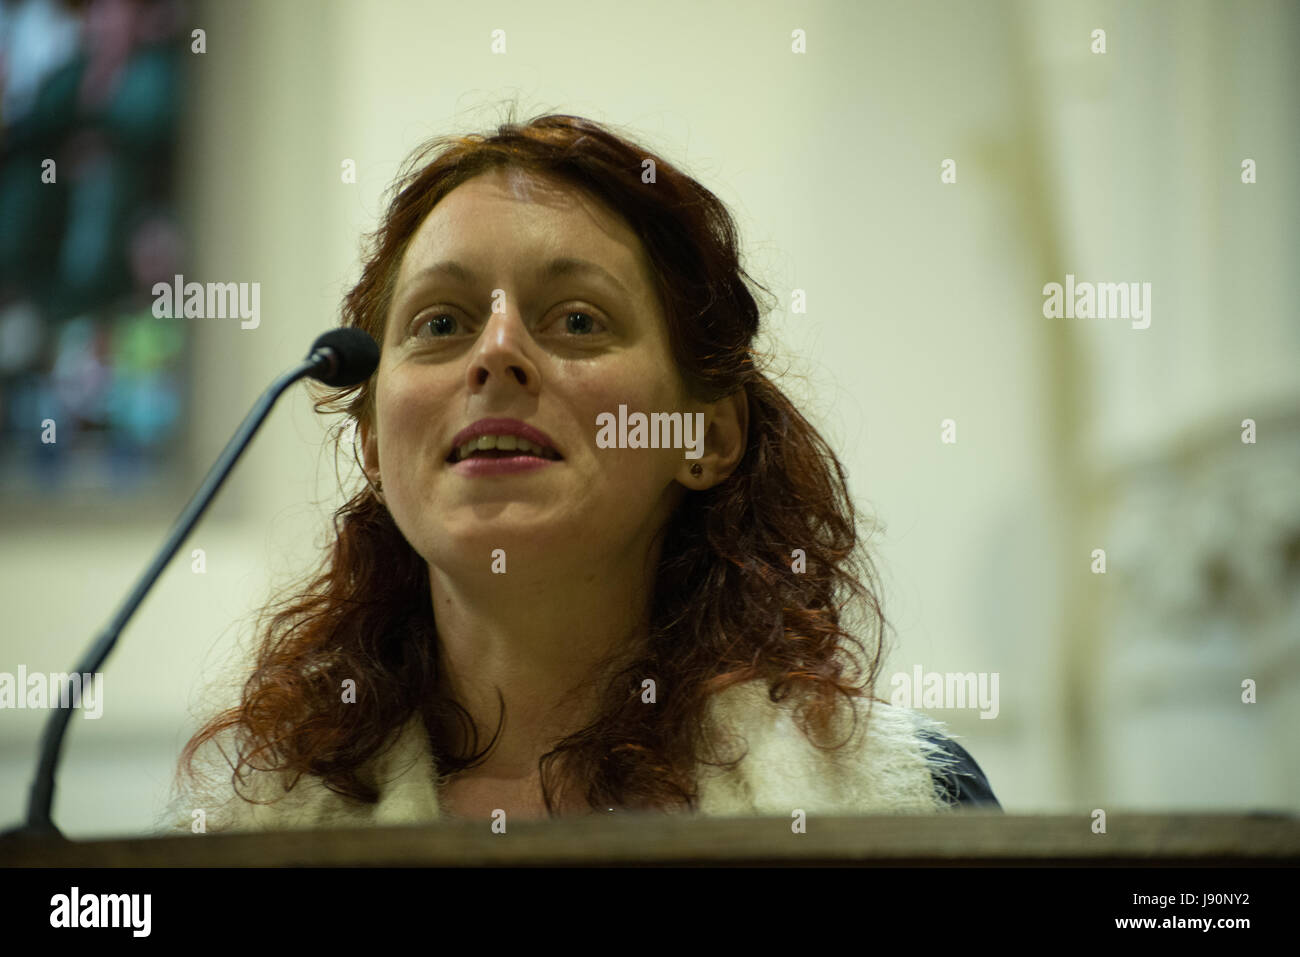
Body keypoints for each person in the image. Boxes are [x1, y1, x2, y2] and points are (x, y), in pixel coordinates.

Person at [164, 111, 999, 835]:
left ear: (703, 436)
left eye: (576, 318)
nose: (495, 354)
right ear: (376, 445)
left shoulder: (904, 801)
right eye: (442, 321)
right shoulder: (249, 821)